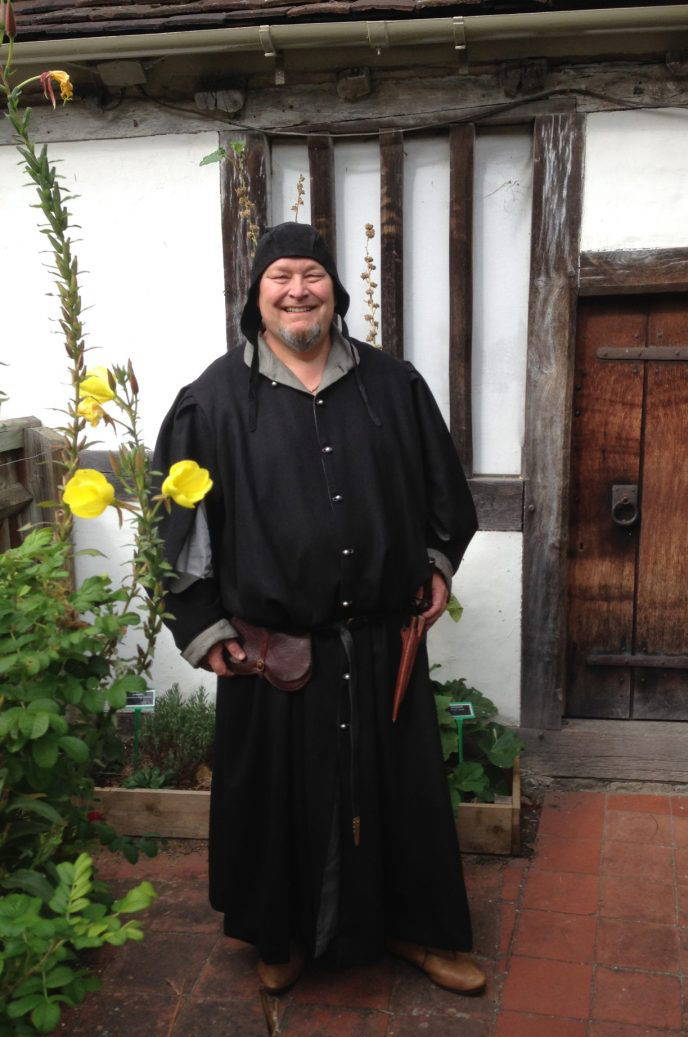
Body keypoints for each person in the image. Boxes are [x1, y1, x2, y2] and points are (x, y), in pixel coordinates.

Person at [152, 221, 484, 995]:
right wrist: (203, 627)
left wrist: (436, 562)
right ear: (257, 297)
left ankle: (419, 931)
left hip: (378, 642)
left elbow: (445, 490)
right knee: (274, 801)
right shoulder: (211, 401)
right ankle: (280, 935)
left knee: (398, 795)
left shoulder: (392, 384)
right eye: (281, 278)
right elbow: (178, 530)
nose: (298, 290)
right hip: (274, 654)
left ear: (334, 290)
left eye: (311, 275)